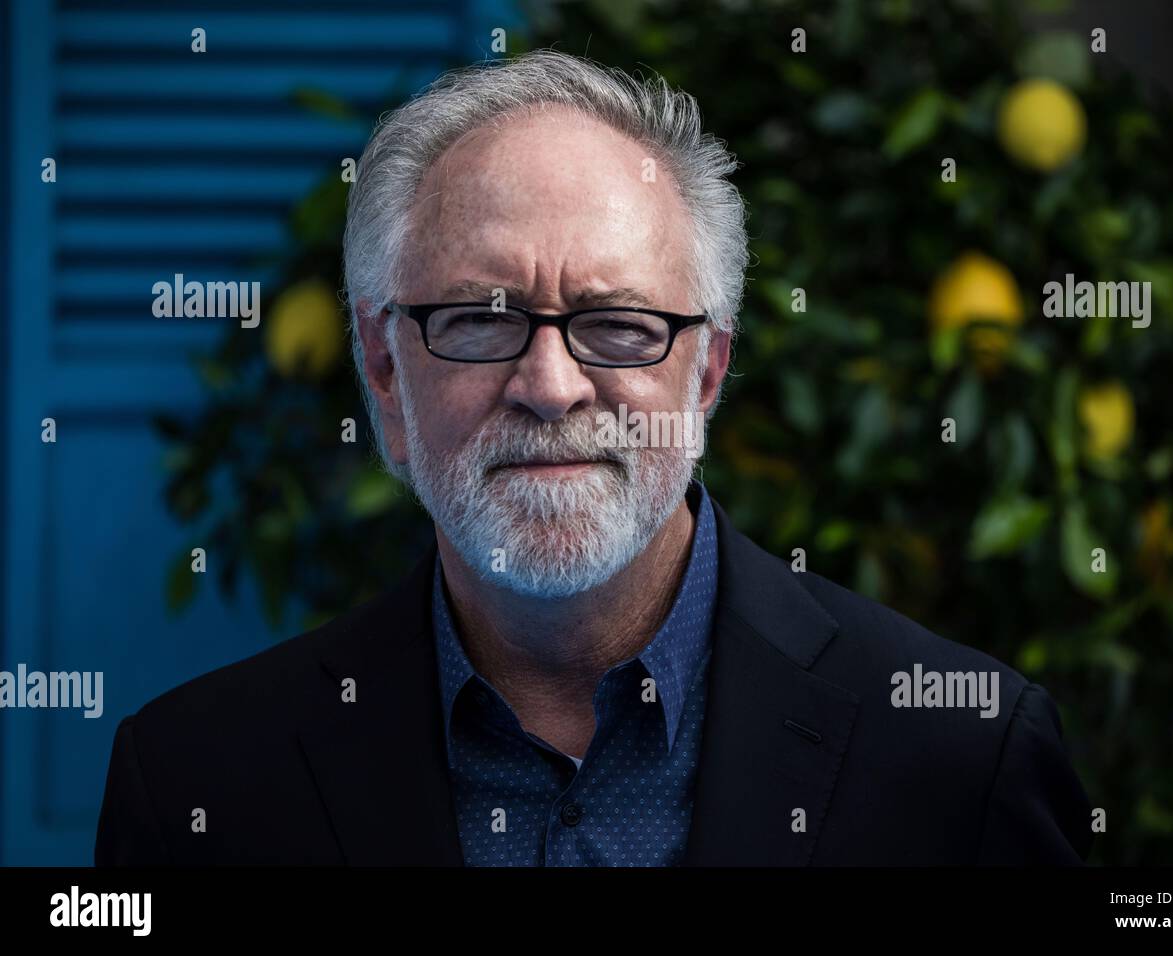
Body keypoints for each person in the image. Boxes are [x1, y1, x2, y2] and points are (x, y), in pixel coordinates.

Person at [96, 50, 1092, 866]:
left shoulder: (965, 756)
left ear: (705, 374)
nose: (550, 383)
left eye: (617, 324)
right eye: (479, 320)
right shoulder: (197, 783)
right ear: (384, 372)